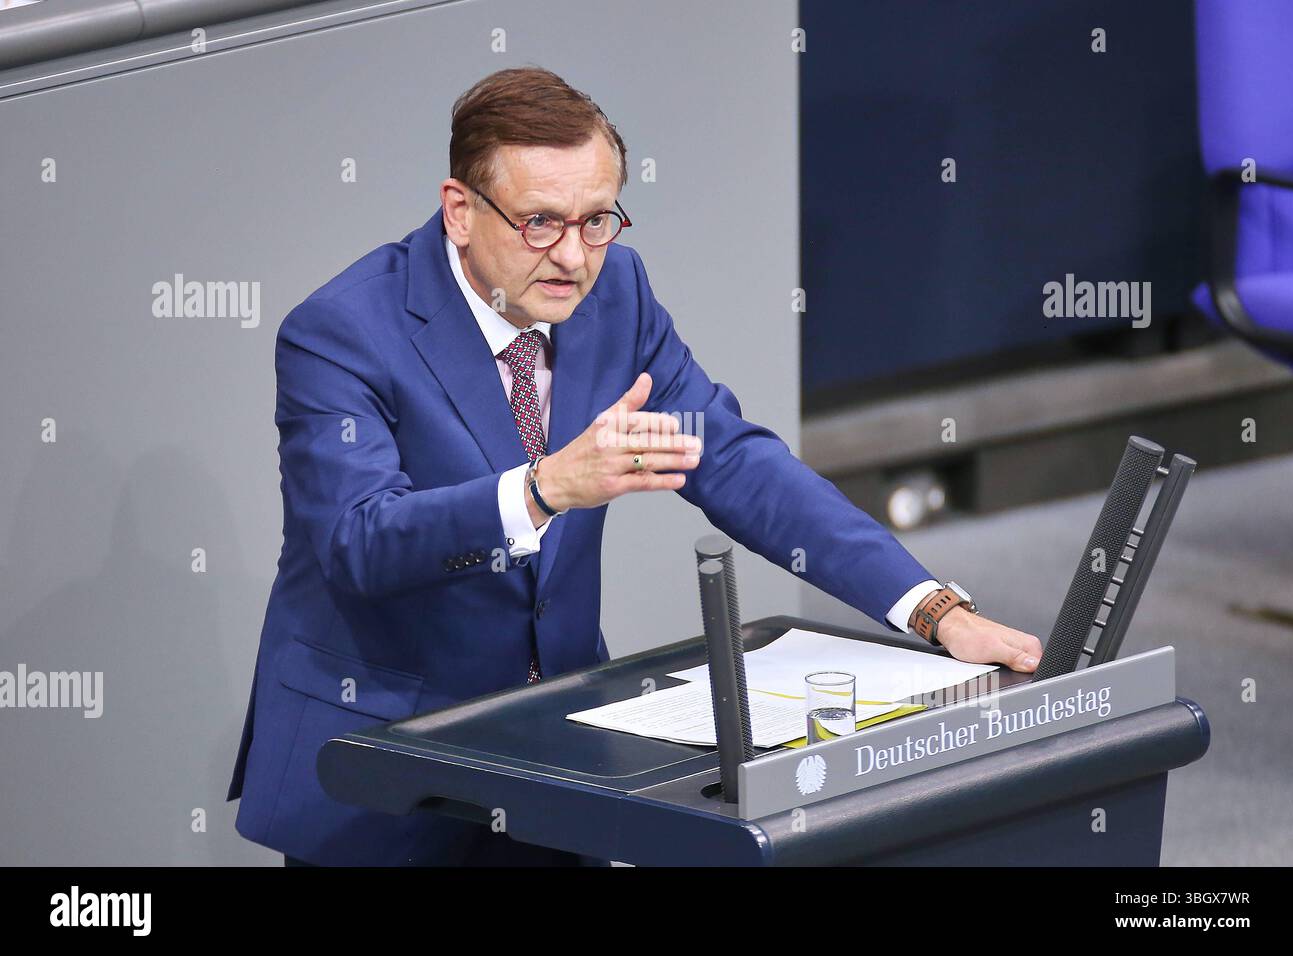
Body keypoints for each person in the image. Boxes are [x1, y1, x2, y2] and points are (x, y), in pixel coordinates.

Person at [227, 66, 1042, 867]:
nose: (574, 257)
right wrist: (543, 490)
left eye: (597, 220)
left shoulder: (616, 294)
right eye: (540, 221)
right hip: (384, 765)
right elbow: (357, 543)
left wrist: (931, 609)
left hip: (553, 750)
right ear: (460, 212)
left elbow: (728, 457)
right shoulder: (340, 332)